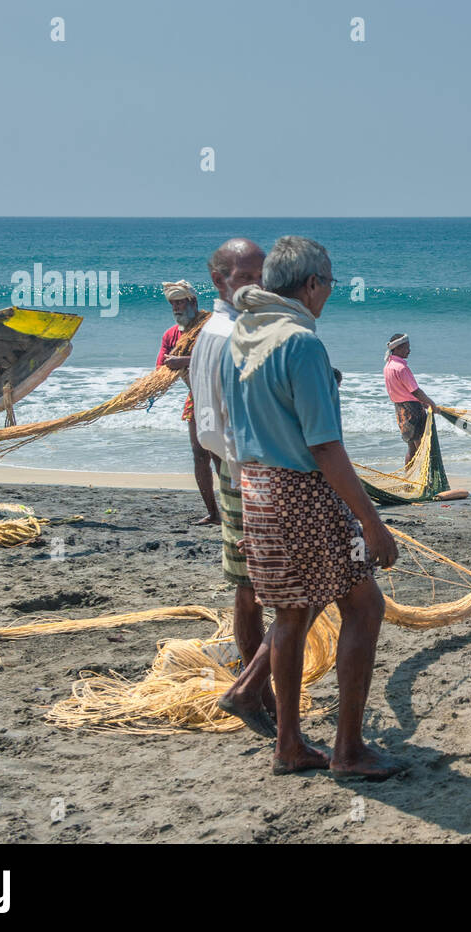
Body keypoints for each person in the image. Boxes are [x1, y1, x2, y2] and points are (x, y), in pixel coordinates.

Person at [218, 235, 402, 780]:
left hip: (257, 488)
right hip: (303, 491)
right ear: (313, 284)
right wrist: (372, 522)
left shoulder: (244, 334)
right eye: (329, 286)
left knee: (292, 615)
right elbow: (323, 446)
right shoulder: (301, 342)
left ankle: (290, 746)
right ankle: (348, 751)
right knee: (364, 608)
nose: (328, 297)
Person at [188, 238, 273, 727]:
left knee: (258, 589)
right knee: (256, 590)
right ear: (219, 282)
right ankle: (255, 691)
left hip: (254, 474)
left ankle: (257, 690)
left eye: (264, 274)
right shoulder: (222, 335)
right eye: (246, 277)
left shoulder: (250, 326)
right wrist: (252, 474)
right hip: (246, 477)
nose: (258, 284)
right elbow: (210, 426)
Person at [159, 280, 219, 525]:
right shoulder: (171, 334)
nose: (176, 307)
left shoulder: (212, 326)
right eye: (173, 303)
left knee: (219, 453)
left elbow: (219, 358)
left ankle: (235, 508)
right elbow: (161, 366)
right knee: (199, 453)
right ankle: (214, 513)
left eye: (180, 302)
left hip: (220, 396)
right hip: (196, 397)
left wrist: (182, 361)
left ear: (193, 302)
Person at [383, 334, 440, 464]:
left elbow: (402, 391)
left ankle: (408, 479)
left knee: (411, 449)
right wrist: (431, 403)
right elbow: (415, 391)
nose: (409, 351)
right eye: (406, 348)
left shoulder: (388, 366)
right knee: (422, 449)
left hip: (400, 410)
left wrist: (422, 402)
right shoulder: (401, 368)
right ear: (397, 349)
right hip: (413, 411)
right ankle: (425, 480)